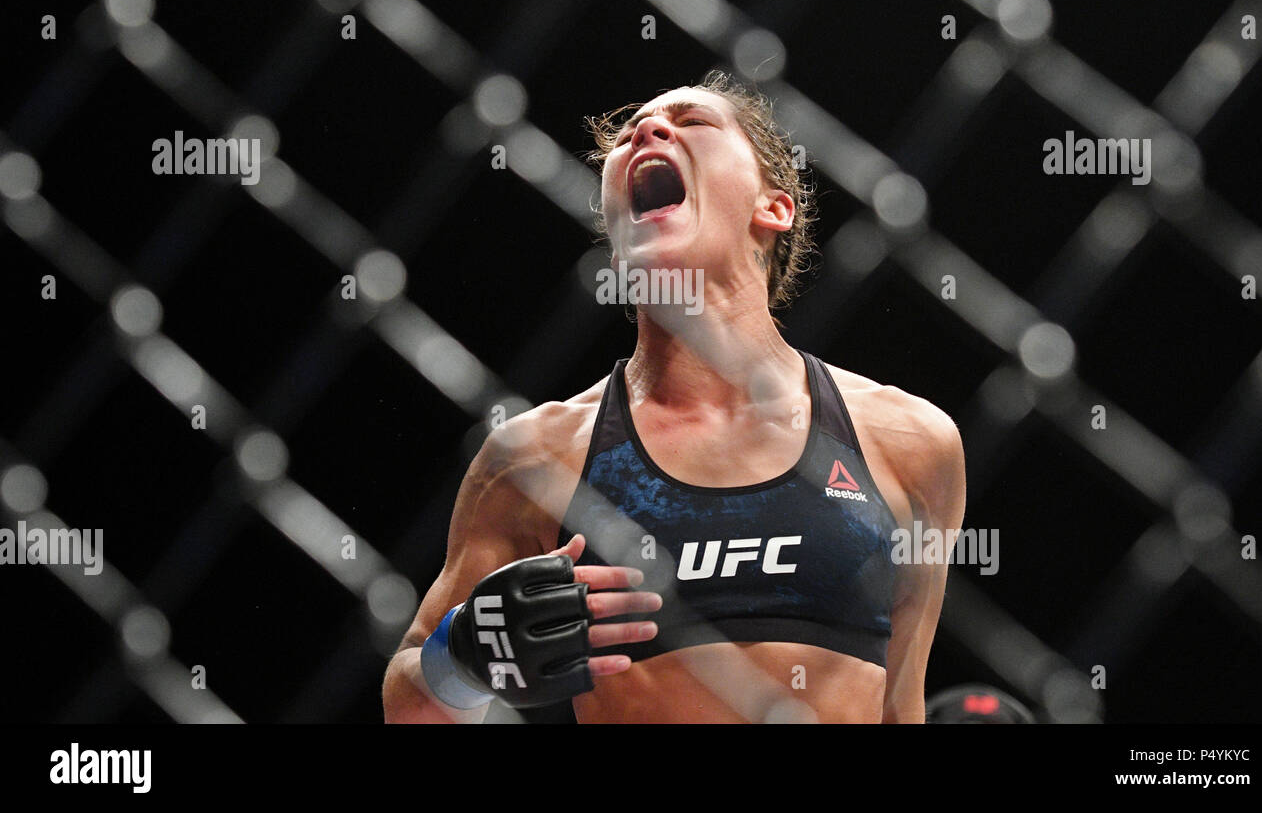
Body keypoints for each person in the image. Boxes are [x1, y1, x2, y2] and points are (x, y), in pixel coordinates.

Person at [382, 70, 966, 723]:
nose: (647, 130)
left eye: (693, 123)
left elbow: (899, 708)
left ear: (772, 207)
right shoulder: (535, 457)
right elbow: (410, 704)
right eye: (629, 134)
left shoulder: (910, 442)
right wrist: (461, 655)